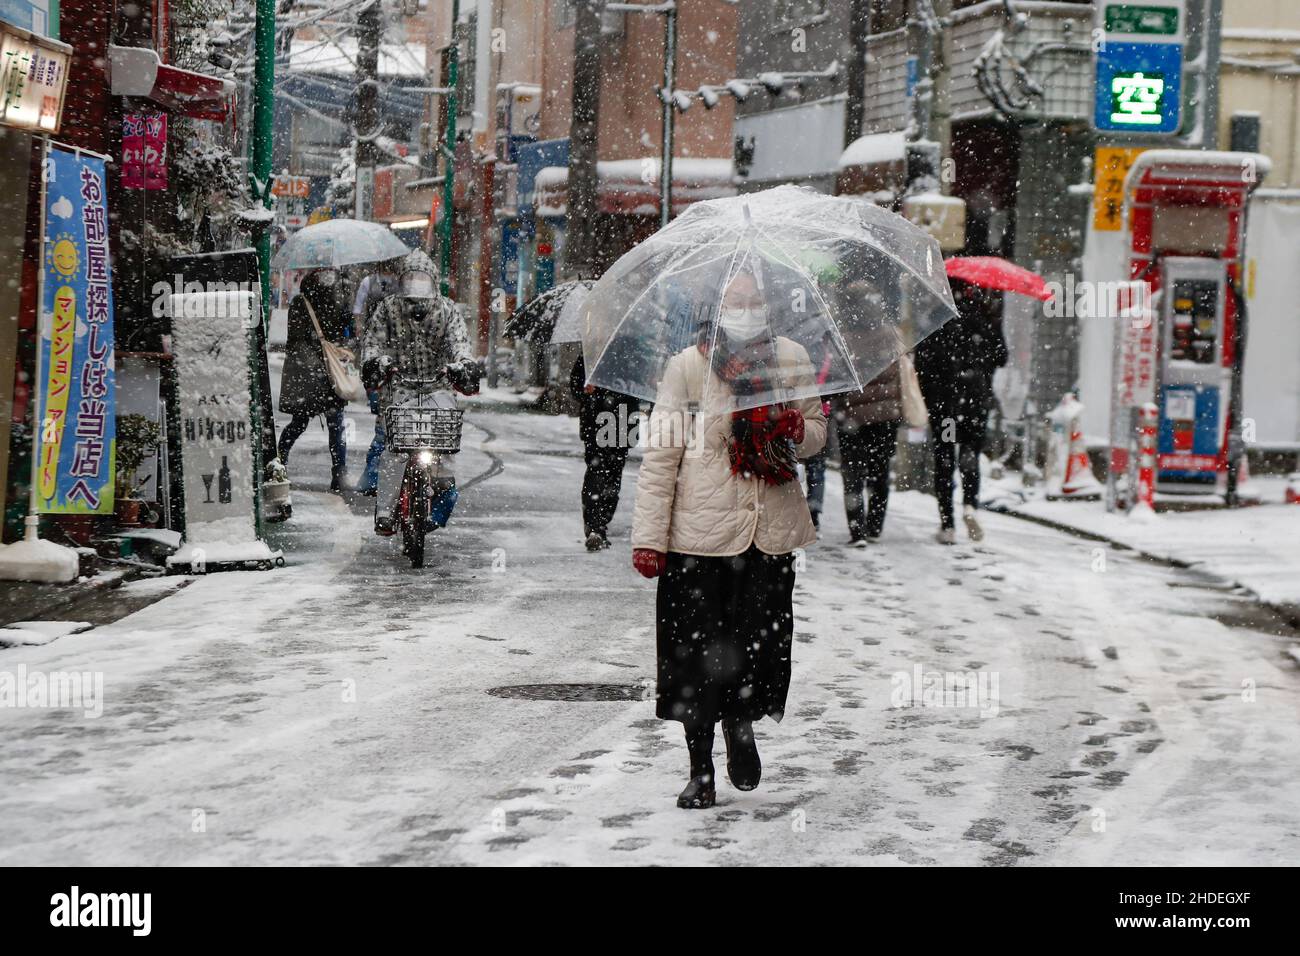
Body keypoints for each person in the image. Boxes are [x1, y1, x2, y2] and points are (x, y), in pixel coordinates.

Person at [631, 268, 827, 810]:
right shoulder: (688, 366)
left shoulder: (791, 359)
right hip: (698, 541)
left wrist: (796, 430)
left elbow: (816, 435)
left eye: (755, 299)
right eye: (736, 300)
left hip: (767, 537)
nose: (747, 308)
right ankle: (699, 770)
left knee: (759, 650)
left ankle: (742, 728)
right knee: (695, 661)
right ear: (718, 307)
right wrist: (649, 538)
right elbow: (661, 455)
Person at [361, 249, 480, 534]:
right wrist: (377, 362)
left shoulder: (448, 310)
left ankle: (440, 493)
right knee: (395, 450)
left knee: (445, 442)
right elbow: (372, 344)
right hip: (399, 386)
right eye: (410, 279)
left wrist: (461, 365)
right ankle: (385, 512)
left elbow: (460, 343)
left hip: (438, 386)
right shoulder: (387, 309)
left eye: (421, 279)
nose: (416, 287)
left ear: (433, 281)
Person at [913, 279, 1008, 544]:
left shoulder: (937, 319)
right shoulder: (985, 317)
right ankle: (970, 506)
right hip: (975, 404)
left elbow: (922, 364)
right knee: (970, 457)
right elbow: (1002, 357)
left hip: (946, 407)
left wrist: (932, 395)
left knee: (944, 459)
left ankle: (948, 525)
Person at [277, 268, 351, 493]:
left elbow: (295, 336)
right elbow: (343, 333)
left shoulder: (302, 301)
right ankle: (339, 474)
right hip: (327, 371)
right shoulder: (336, 297)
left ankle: (278, 463)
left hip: (307, 373)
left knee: (299, 422)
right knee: (335, 424)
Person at [568, 354, 637, 551]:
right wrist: (585, 388)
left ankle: (601, 524)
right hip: (596, 420)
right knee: (597, 472)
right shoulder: (591, 352)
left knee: (614, 474)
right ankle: (595, 528)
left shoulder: (632, 352)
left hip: (622, 421)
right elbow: (575, 384)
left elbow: (639, 388)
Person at [831, 360, 904, 545]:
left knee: (853, 475)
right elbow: (896, 378)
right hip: (885, 417)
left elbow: (837, 384)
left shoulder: (843, 343)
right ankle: (874, 526)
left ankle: (857, 531)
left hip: (852, 419)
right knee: (880, 472)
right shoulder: (889, 340)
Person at [353, 258, 404, 496]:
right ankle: (377, 475)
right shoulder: (401, 287)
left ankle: (372, 476)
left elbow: (357, 314)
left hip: (382, 359)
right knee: (388, 423)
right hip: (391, 358)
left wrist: (363, 341)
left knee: (383, 422)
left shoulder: (369, 283)